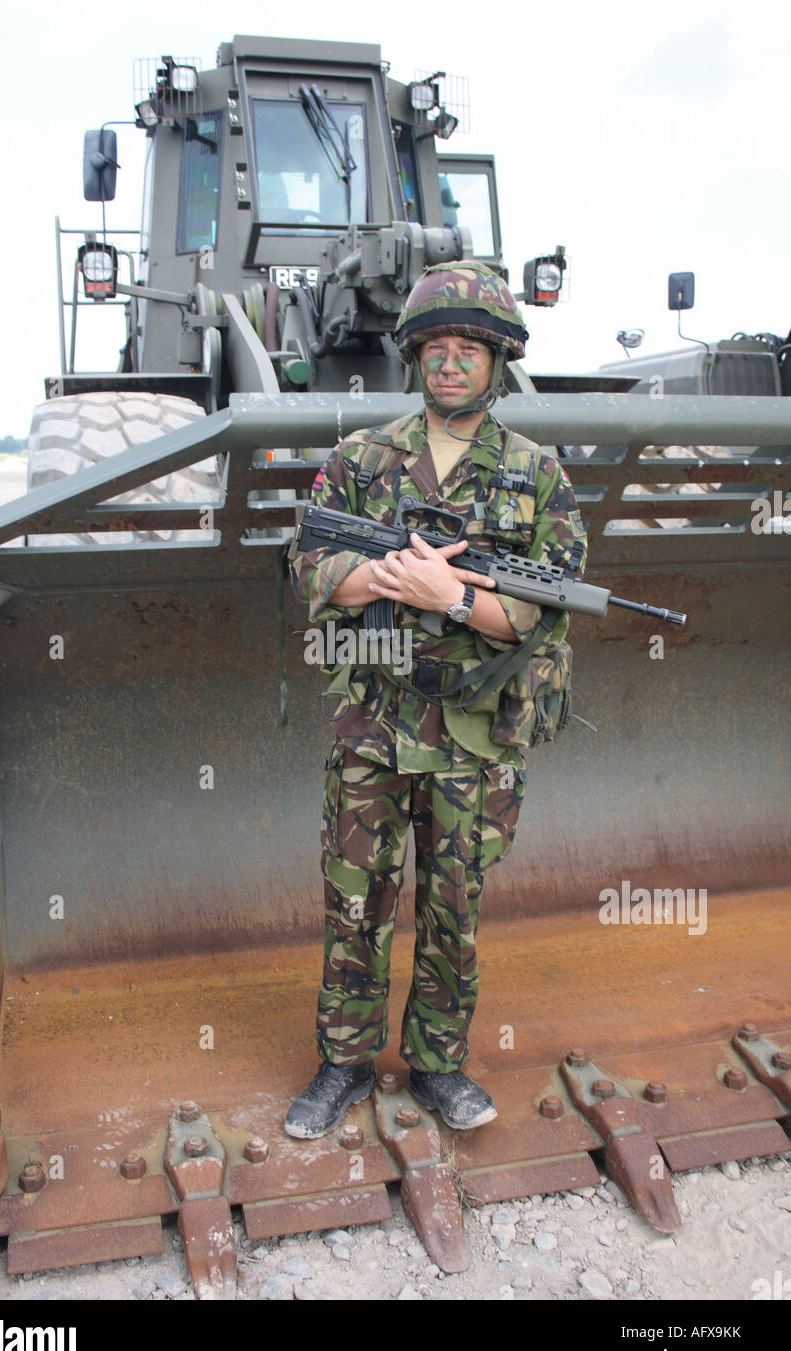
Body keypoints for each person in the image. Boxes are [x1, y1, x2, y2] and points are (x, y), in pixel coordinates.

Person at [286, 260, 587, 1137]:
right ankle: (343, 1060)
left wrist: (447, 598)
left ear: (499, 364)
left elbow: (549, 610)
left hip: (472, 740)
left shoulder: (537, 476)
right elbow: (305, 562)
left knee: (454, 906)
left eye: (470, 350)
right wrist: (374, 574)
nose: (451, 364)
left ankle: (439, 1065)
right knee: (356, 899)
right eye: (437, 349)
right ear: (415, 357)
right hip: (373, 729)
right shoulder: (360, 459)